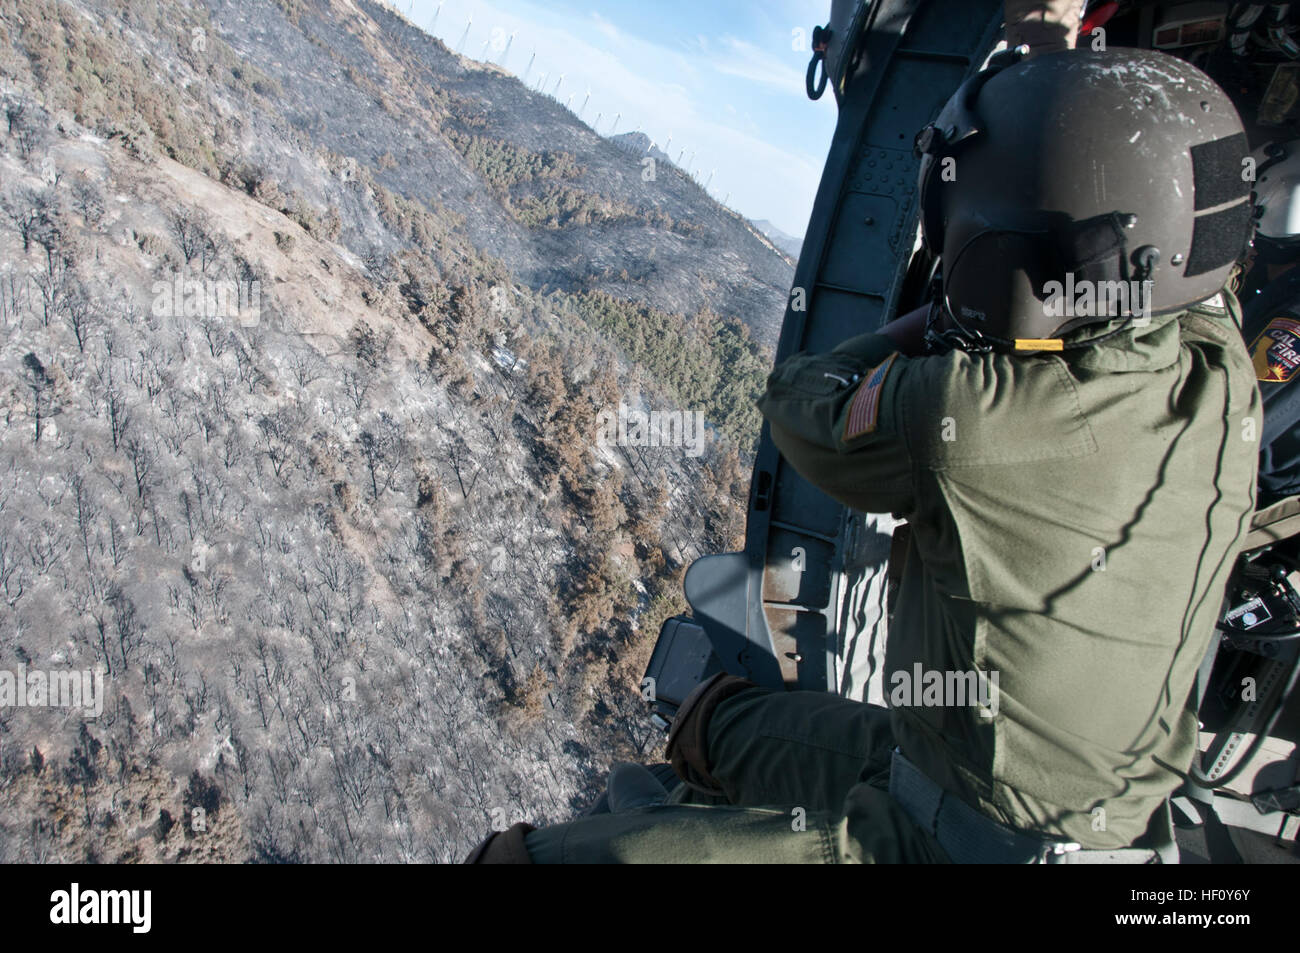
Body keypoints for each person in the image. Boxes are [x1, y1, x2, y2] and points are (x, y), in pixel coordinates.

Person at [466, 43, 1260, 864]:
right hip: (991, 777)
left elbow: (797, 404)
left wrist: (922, 327)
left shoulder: (967, 416)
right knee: (722, 725)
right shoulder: (1220, 362)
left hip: (970, 842)